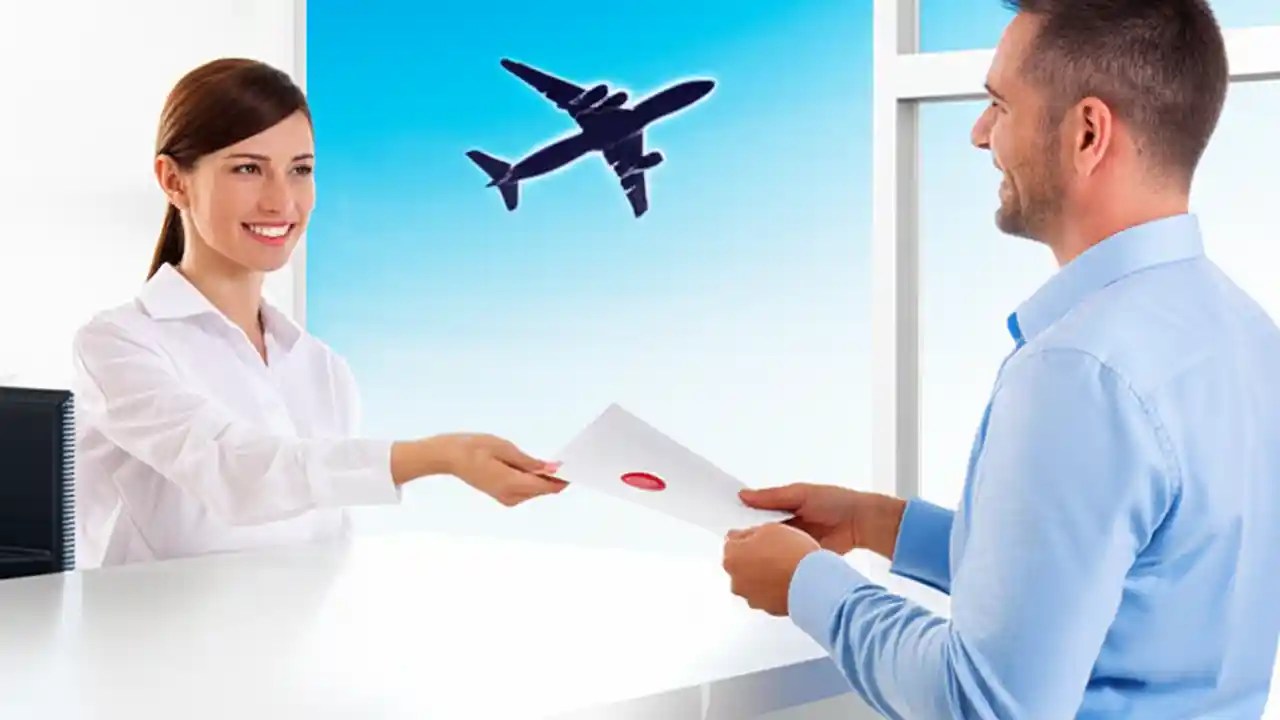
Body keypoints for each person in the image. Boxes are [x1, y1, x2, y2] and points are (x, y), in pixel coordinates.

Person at [722, 1, 1280, 717]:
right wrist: (879, 524)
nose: (980, 135)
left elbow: (983, 702)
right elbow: (1127, 582)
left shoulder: (1081, 371)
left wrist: (808, 585)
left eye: (998, 104)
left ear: (1086, 133)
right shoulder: (1247, 334)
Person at [71, 58, 566, 568]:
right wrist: (438, 455)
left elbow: (327, 555)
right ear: (173, 181)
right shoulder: (118, 345)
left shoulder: (322, 368)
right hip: (147, 646)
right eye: (247, 168)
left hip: (294, 647)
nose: (281, 200)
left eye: (300, 170)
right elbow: (237, 473)